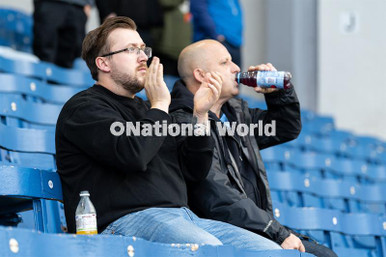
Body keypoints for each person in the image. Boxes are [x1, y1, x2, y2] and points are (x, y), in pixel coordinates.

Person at [55, 16, 283, 252]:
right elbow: (134, 155)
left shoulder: (149, 110)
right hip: (121, 223)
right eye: (132, 50)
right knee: (211, 251)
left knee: (271, 251)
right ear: (104, 64)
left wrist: (201, 116)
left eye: (144, 49)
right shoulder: (84, 108)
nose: (144, 57)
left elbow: (193, 171)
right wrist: (161, 105)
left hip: (183, 217)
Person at [169, 39, 338, 257]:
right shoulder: (184, 121)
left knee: (325, 254)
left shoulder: (236, 114)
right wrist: (276, 232)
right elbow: (216, 193)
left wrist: (278, 92)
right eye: (224, 62)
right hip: (221, 231)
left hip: (255, 227)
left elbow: (286, 128)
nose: (237, 68)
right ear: (201, 75)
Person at [32, 0, 93, 68]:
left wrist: (89, 3)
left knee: (70, 59)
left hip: (79, 6)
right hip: (49, 3)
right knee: (44, 55)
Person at [190, 0, 243, 67]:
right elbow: (199, 10)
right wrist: (215, 34)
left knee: (235, 73)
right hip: (214, 40)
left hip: (234, 41)